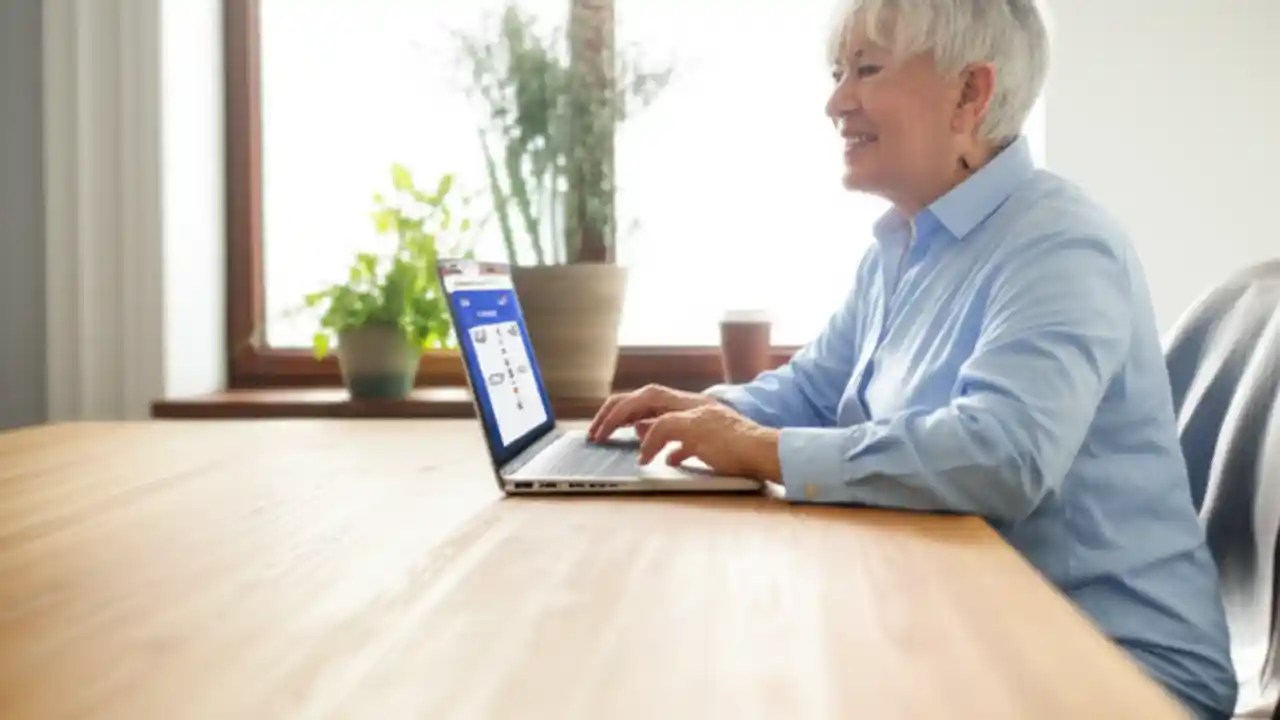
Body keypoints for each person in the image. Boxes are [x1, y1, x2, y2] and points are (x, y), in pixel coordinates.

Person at [587, 0, 1238, 716]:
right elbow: (815, 392)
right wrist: (703, 413)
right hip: (976, 630)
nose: (836, 102)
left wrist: (760, 449)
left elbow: (1002, 456)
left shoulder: (1060, 245)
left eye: (866, 70)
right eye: (838, 73)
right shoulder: (901, 248)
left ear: (970, 93)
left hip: (1116, 668)